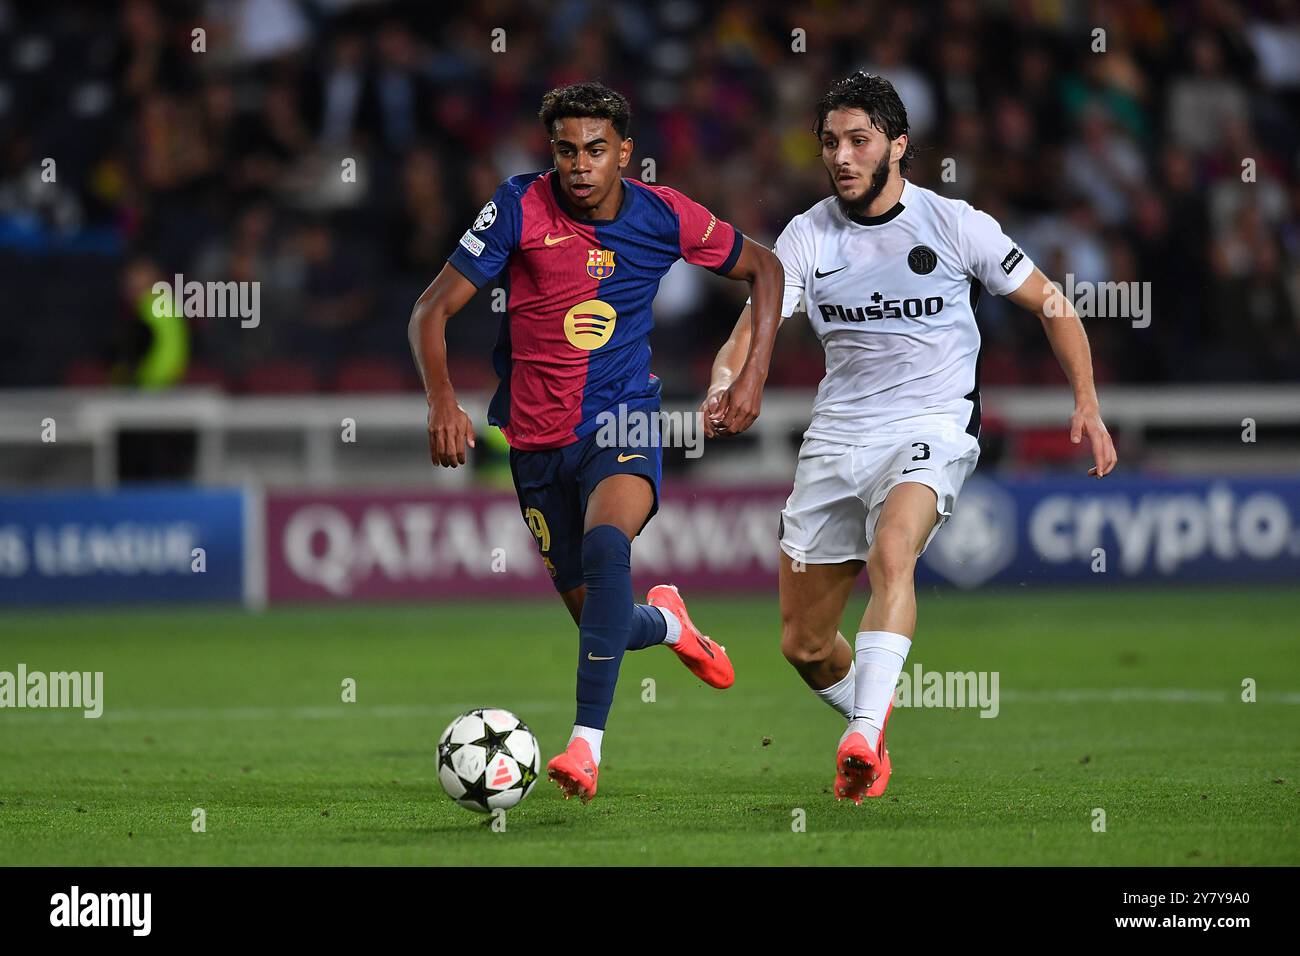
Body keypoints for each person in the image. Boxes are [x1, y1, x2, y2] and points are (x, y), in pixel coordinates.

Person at [703, 72, 1118, 804]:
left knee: (894, 551)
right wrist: (722, 384)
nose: (841, 156)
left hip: (933, 424)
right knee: (802, 644)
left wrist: (1085, 401)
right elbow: (748, 331)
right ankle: (873, 730)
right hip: (838, 435)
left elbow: (1054, 304)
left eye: (858, 140)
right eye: (830, 141)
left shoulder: (957, 224)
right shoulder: (806, 235)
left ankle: (860, 735)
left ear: (898, 145)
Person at [408, 81, 783, 804]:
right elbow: (431, 308)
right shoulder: (518, 205)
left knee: (612, 548)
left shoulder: (664, 215)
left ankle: (585, 749)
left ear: (625, 154)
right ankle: (669, 623)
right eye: (566, 150)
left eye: (596, 151)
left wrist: (753, 375)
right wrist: (442, 399)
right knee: (601, 618)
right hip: (534, 443)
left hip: (623, 421)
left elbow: (763, 267)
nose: (579, 166)